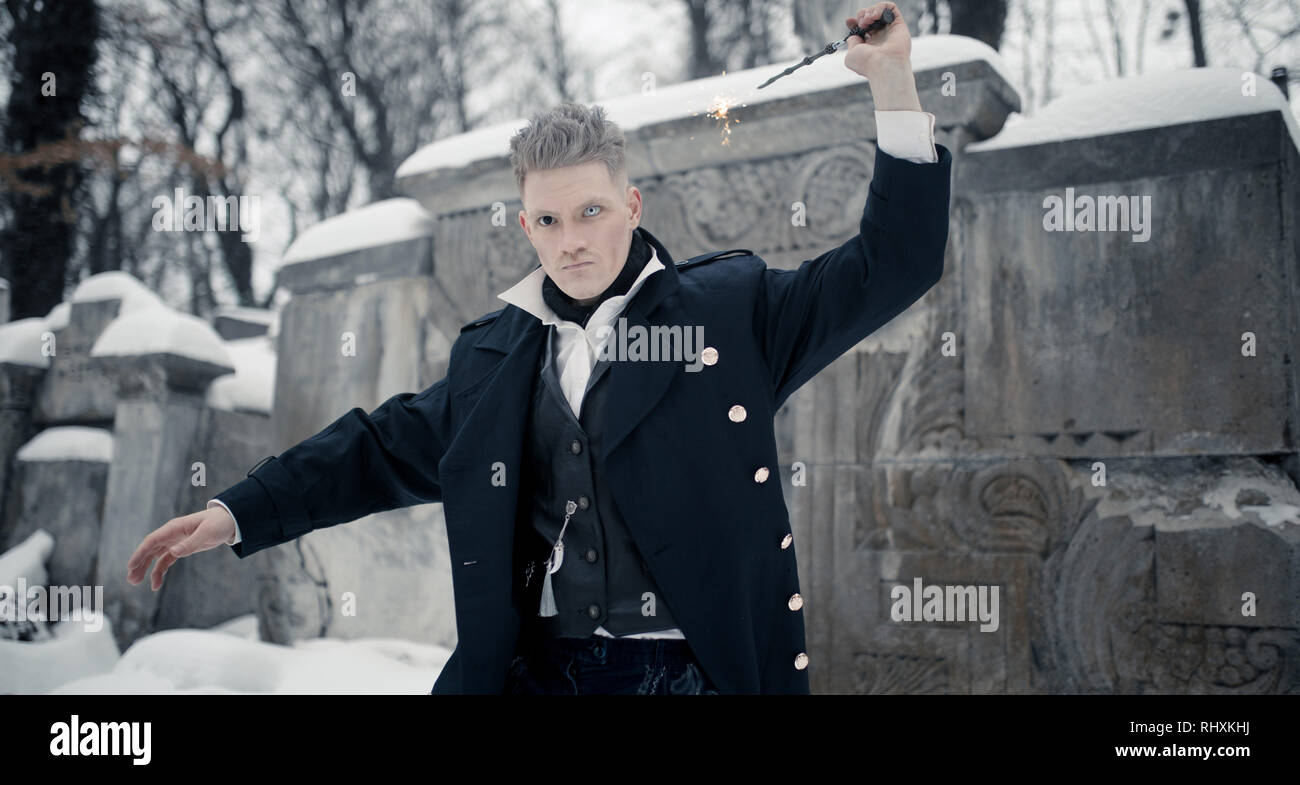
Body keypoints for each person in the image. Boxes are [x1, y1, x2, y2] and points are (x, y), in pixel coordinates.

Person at [127, 2, 951, 694]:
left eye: (590, 212)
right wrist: (235, 511)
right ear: (525, 226)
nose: (571, 241)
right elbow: (372, 449)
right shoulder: (495, 355)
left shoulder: (732, 312)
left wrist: (891, 81)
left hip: (692, 672)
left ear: (630, 204)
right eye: (549, 221)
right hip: (545, 671)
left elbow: (893, 264)